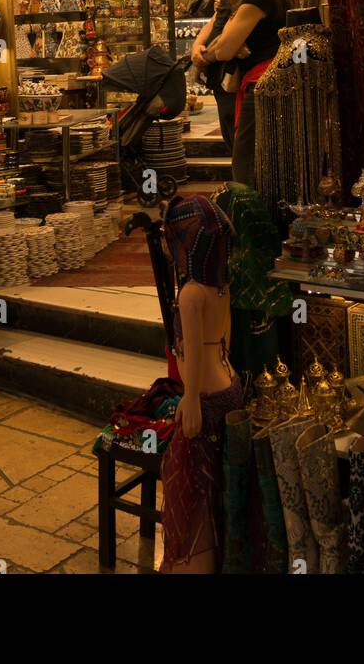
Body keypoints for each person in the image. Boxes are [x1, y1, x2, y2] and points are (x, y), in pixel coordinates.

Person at [159, 193, 242, 574]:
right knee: (215, 489)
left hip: (204, 397)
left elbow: (192, 352)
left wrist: (190, 399)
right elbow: (226, 340)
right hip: (230, 387)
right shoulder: (221, 287)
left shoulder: (191, 293)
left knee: (194, 499)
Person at [195, 0, 295, 187]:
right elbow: (224, 36)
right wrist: (215, 46)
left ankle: (251, 217)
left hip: (262, 83)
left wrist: (205, 57)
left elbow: (226, 48)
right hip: (266, 81)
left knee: (246, 159)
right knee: (261, 156)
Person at [190, 0, 267, 153]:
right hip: (220, 78)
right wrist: (197, 47)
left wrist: (207, 56)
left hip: (237, 77)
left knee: (243, 143)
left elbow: (227, 45)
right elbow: (215, 21)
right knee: (232, 138)